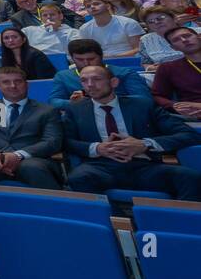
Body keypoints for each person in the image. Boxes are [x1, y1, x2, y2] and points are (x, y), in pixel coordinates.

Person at [61, 66, 201, 201]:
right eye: (84, 81)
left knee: (189, 177)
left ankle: (180, 223)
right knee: (78, 178)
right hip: (101, 166)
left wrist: (144, 144)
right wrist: (97, 148)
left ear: (114, 82)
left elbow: (188, 134)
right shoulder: (75, 109)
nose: (90, 85)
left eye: (96, 79)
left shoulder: (142, 105)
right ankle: (116, 223)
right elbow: (67, 142)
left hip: (143, 165)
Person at [47, 39, 151, 109]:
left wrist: (106, 100)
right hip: (83, 117)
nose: (86, 63)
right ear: (72, 59)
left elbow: (145, 99)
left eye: (91, 59)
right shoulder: (63, 76)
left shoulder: (125, 73)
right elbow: (54, 102)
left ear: (101, 56)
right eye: (79, 59)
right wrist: (73, 103)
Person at [152, 26, 201, 118]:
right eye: (176, 40)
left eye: (187, 36)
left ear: (199, 37)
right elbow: (157, 96)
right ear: (173, 48)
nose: (184, 40)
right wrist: (173, 105)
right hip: (193, 115)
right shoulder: (168, 68)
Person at [76, 0, 144, 57]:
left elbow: (138, 49)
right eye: (88, 6)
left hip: (130, 58)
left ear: (108, 6)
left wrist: (114, 57)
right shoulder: (84, 28)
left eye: (96, 4)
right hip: (100, 62)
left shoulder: (128, 23)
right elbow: (87, 52)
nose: (92, 7)